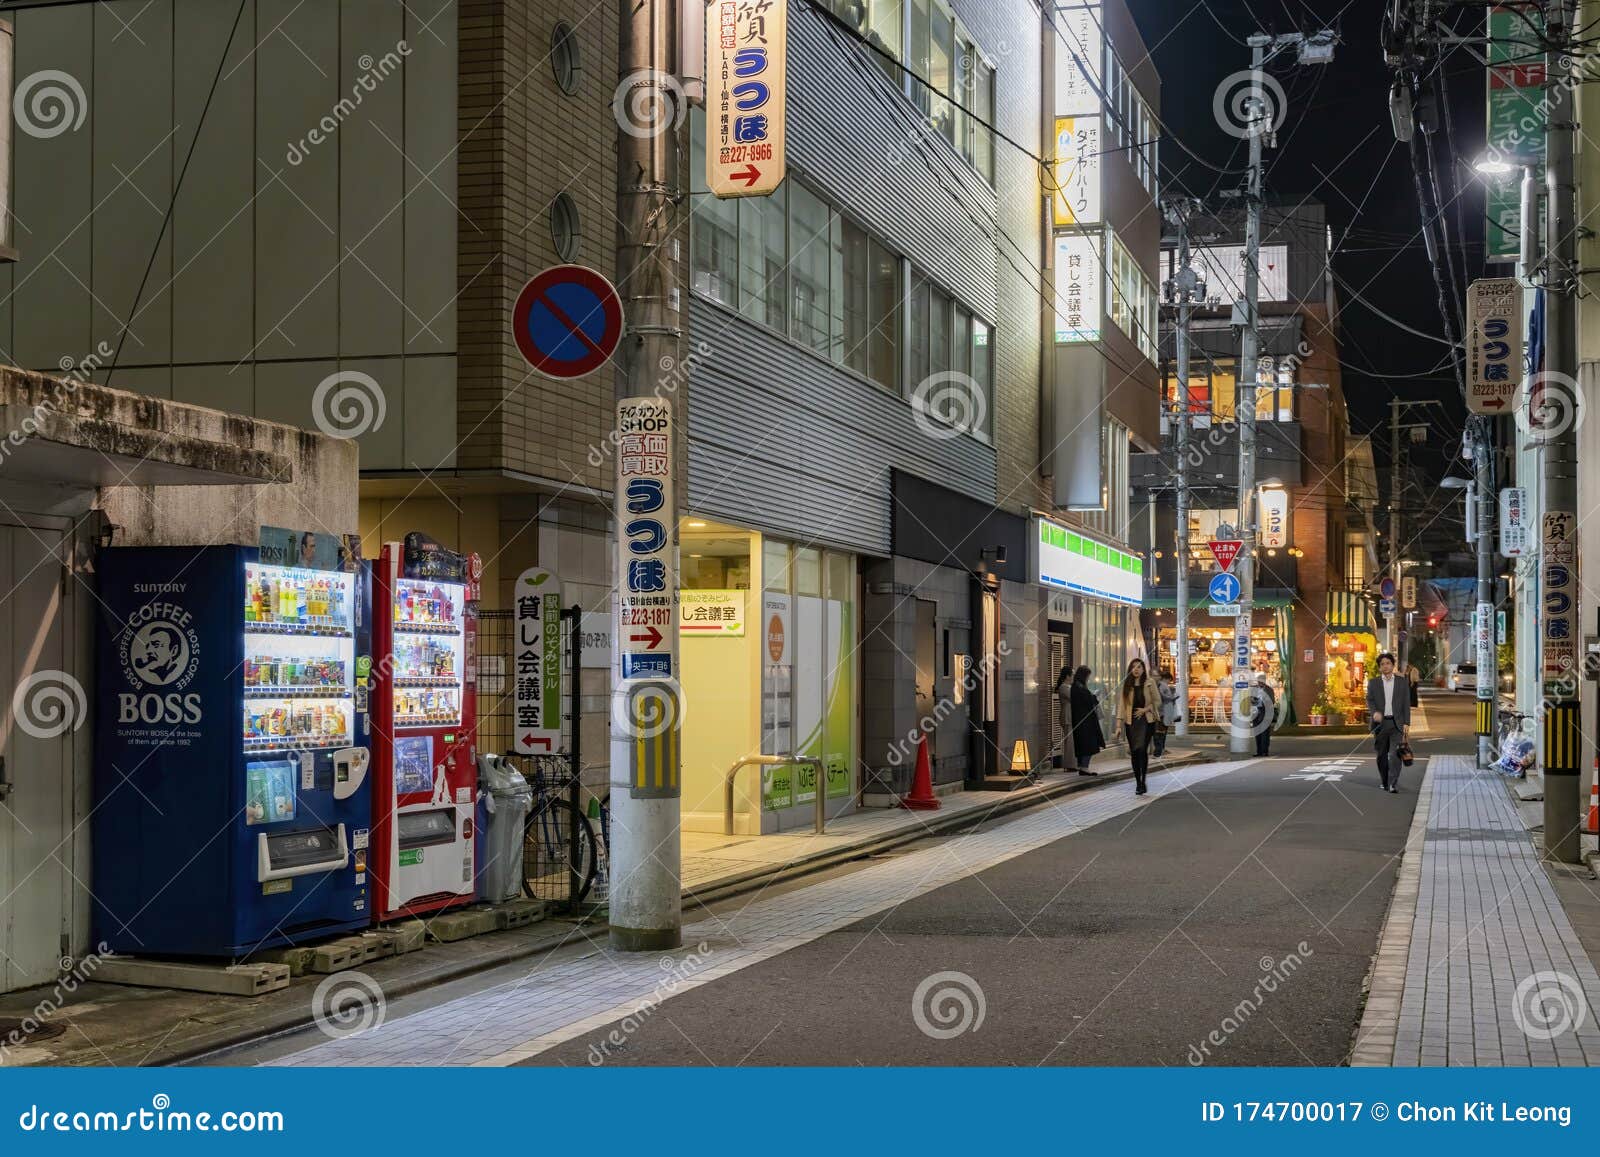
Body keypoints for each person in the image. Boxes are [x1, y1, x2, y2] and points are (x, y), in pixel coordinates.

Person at [1366, 652, 1411, 793]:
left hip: (1396, 723)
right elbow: (1370, 700)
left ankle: (1392, 783)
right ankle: (1384, 781)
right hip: (1380, 725)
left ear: (1393, 665)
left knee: (1394, 755)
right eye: (1382, 664)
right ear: (1379, 667)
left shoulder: (1402, 682)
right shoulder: (1373, 683)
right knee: (1381, 755)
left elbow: (1406, 703)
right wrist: (1374, 712)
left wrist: (1407, 722)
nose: (1385, 666)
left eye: (1388, 663)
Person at [1118, 658, 1158, 795]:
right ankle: (1138, 783)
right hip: (1131, 722)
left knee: (1142, 750)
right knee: (1135, 752)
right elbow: (1122, 706)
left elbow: (1157, 702)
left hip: (1147, 721)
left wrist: (1145, 710)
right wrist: (1118, 726)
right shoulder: (1127, 685)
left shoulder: (1149, 683)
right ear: (1130, 669)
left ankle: (1143, 779)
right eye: (1134, 667)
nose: (1136, 669)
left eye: (1139, 667)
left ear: (1143, 670)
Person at [1069, 666, 1105, 776]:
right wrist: (1094, 696)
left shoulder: (1076, 686)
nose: (1088, 678)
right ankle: (1084, 767)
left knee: (1083, 744)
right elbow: (1088, 700)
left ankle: (1082, 767)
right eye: (1088, 676)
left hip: (1082, 720)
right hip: (1084, 721)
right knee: (1088, 744)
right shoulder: (1078, 687)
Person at [1053, 665, 1078, 771]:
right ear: (1067, 676)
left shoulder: (1069, 687)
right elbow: (1074, 698)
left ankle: (1072, 764)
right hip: (1067, 717)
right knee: (1070, 742)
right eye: (1072, 675)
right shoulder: (1064, 687)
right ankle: (1069, 765)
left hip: (1071, 716)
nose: (1074, 677)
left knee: (1072, 742)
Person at [1153, 668, 1179, 757]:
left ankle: (1159, 750)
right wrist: (1173, 698)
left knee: (1159, 732)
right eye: (1169, 680)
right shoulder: (1163, 685)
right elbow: (1165, 698)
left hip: (1160, 711)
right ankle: (1159, 751)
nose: (1169, 682)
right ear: (1165, 678)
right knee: (1161, 732)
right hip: (1163, 712)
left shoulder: (1158, 685)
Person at [1249, 671, 1276, 757]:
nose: (1259, 682)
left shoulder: (1269, 689)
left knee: (1265, 733)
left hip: (1265, 713)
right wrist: (1253, 701)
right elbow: (1250, 699)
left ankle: (1265, 751)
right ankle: (1259, 751)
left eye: (1261, 680)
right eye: (1258, 680)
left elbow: (1272, 701)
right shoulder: (1254, 689)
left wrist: (1263, 702)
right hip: (1255, 713)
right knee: (1257, 733)